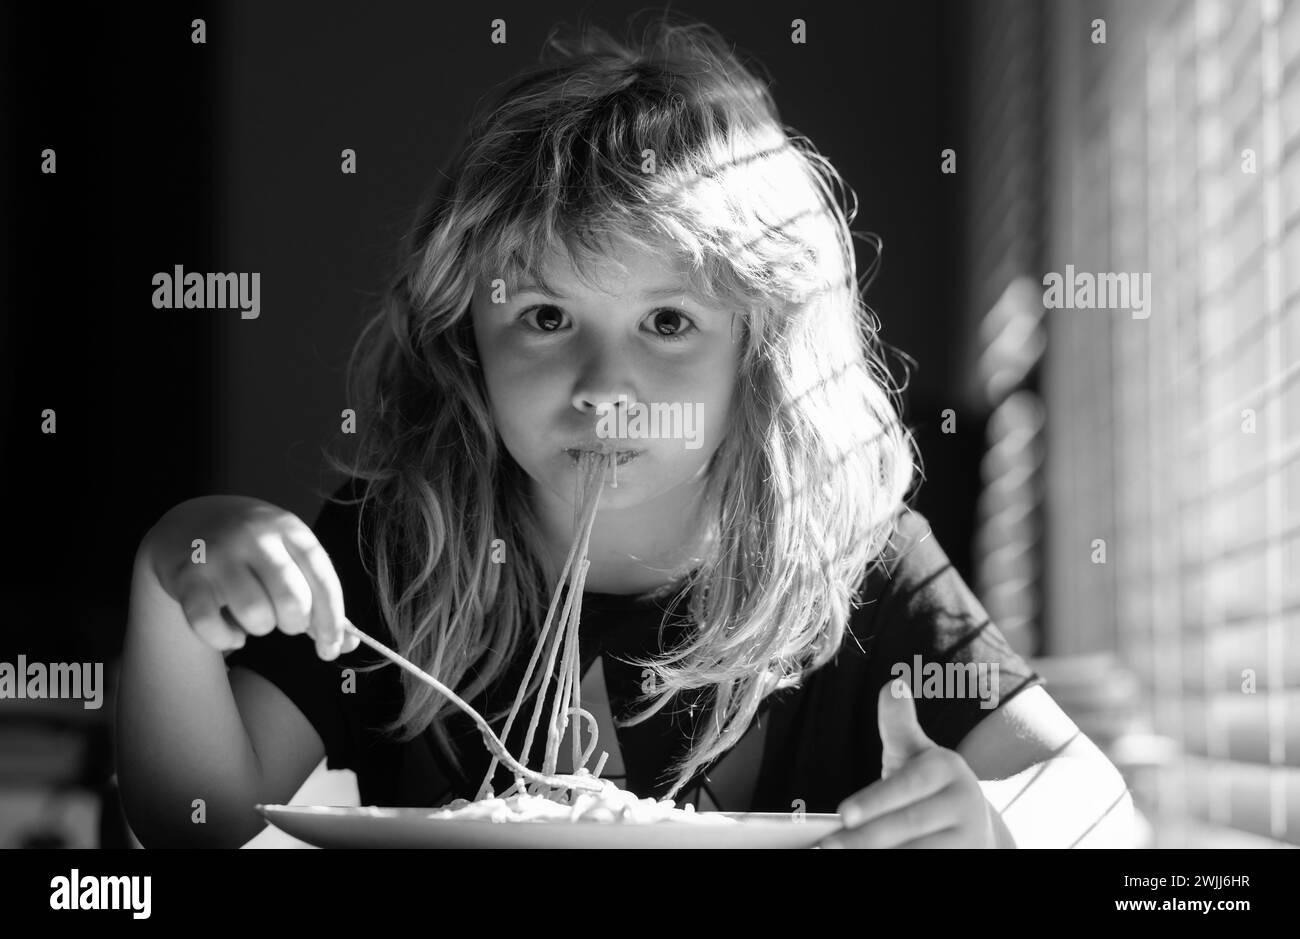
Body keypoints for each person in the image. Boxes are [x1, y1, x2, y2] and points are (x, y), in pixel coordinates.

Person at [116, 15, 1133, 848]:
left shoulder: (848, 561)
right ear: (464, 336)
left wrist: (994, 825)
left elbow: (1100, 812)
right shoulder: (399, 543)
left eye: (668, 323)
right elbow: (193, 821)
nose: (607, 390)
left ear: (760, 350)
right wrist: (173, 580)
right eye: (547, 319)